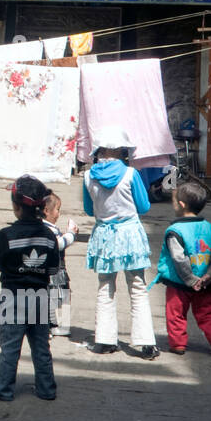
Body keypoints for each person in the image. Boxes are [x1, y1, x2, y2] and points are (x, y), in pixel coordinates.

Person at [0, 175, 61, 401]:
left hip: (12, 298)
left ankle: (3, 389)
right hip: (40, 298)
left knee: (10, 348)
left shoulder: (6, 236)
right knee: (41, 348)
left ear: (16, 207)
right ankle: (47, 390)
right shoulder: (48, 236)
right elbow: (54, 271)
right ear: (43, 207)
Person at [83, 127, 158, 359]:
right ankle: (146, 343)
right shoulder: (131, 174)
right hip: (130, 235)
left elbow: (88, 209)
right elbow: (144, 206)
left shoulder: (88, 176)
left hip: (104, 236)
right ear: (122, 152)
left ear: (99, 151)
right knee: (137, 287)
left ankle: (104, 340)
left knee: (106, 286)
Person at [152, 182, 211, 356]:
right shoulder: (209, 226)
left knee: (176, 312)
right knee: (208, 312)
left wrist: (190, 279)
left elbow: (179, 258)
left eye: (174, 201)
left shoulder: (175, 230)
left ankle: (178, 344)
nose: (173, 205)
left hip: (179, 283)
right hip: (206, 281)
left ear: (182, 205)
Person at [43, 191, 77, 338]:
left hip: (54, 270)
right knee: (54, 299)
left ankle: (53, 325)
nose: (59, 213)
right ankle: (49, 327)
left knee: (56, 298)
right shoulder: (48, 230)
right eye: (57, 209)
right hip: (53, 271)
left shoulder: (46, 228)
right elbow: (59, 244)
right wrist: (71, 234)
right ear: (46, 211)